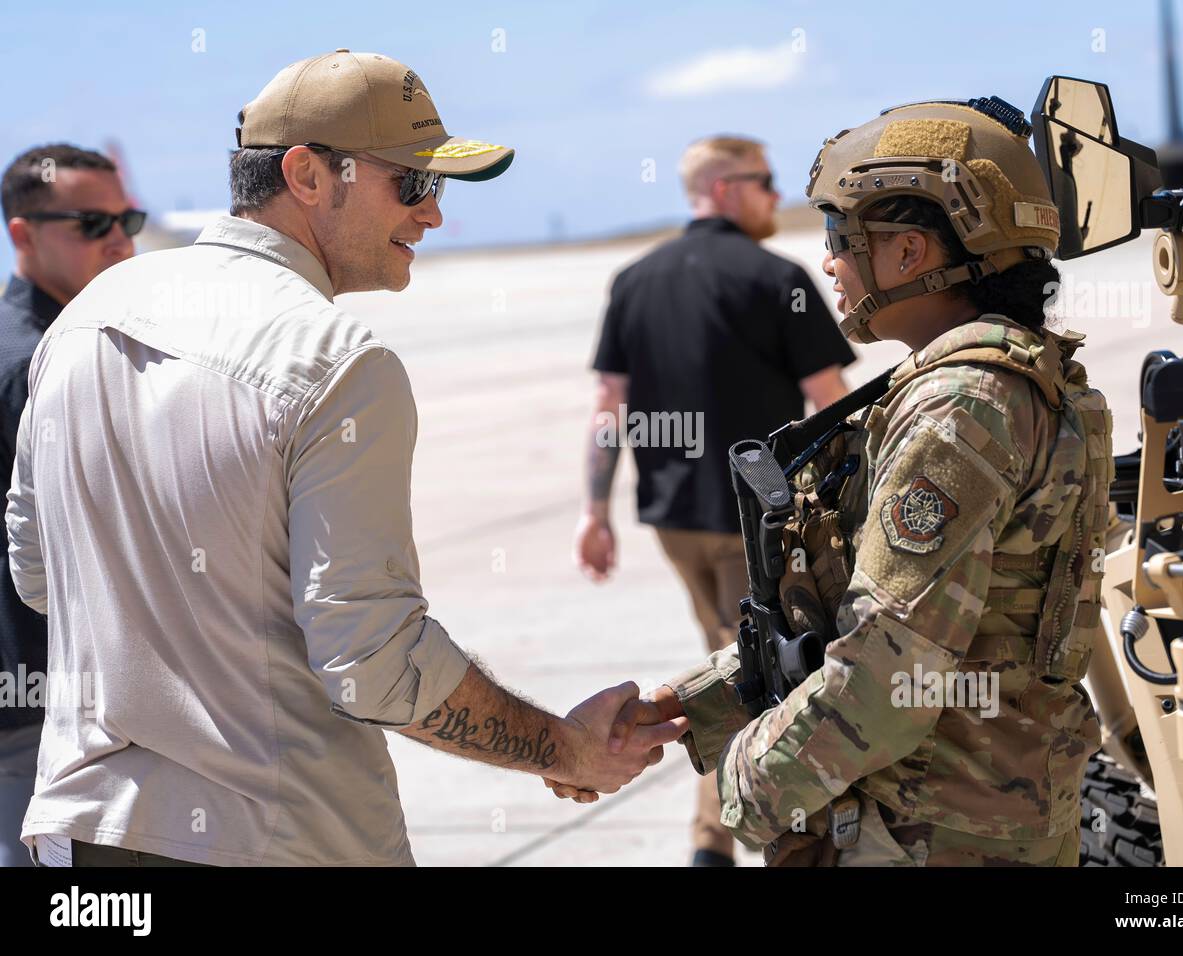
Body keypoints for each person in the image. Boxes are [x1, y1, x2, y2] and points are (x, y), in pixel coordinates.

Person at [5, 50, 682, 868]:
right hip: (276, 841)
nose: (432, 215)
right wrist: (566, 750)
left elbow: (35, 576)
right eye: (414, 183)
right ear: (308, 174)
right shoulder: (338, 361)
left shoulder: (85, 317)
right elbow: (373, 663)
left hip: (82, 840)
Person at [554, 97, 1114, 866]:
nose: (827, 261)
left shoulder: (960, 408)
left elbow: (886, 673)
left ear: (911, 253)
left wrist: (745, 789)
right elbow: (874, 628)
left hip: (929, 832)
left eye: (839, 235)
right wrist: (675, 711)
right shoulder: (1004, 383)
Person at [574, 135, 854, 866]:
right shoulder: (776, 278)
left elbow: (609, 406)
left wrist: (594, 512)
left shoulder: (634, 279)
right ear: (727, 188)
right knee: (761, 677)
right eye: (766, 182)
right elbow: (828, 402)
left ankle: (714, 843)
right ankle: (715, 845)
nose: (777, 196)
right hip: (753, 526)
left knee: (731, 659)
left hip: (673, 522)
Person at [0, 144, 140, 867]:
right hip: (44, 706)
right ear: (23, 234)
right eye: (91, 223)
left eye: (127, 218)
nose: (120, 239)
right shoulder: (43, 361)